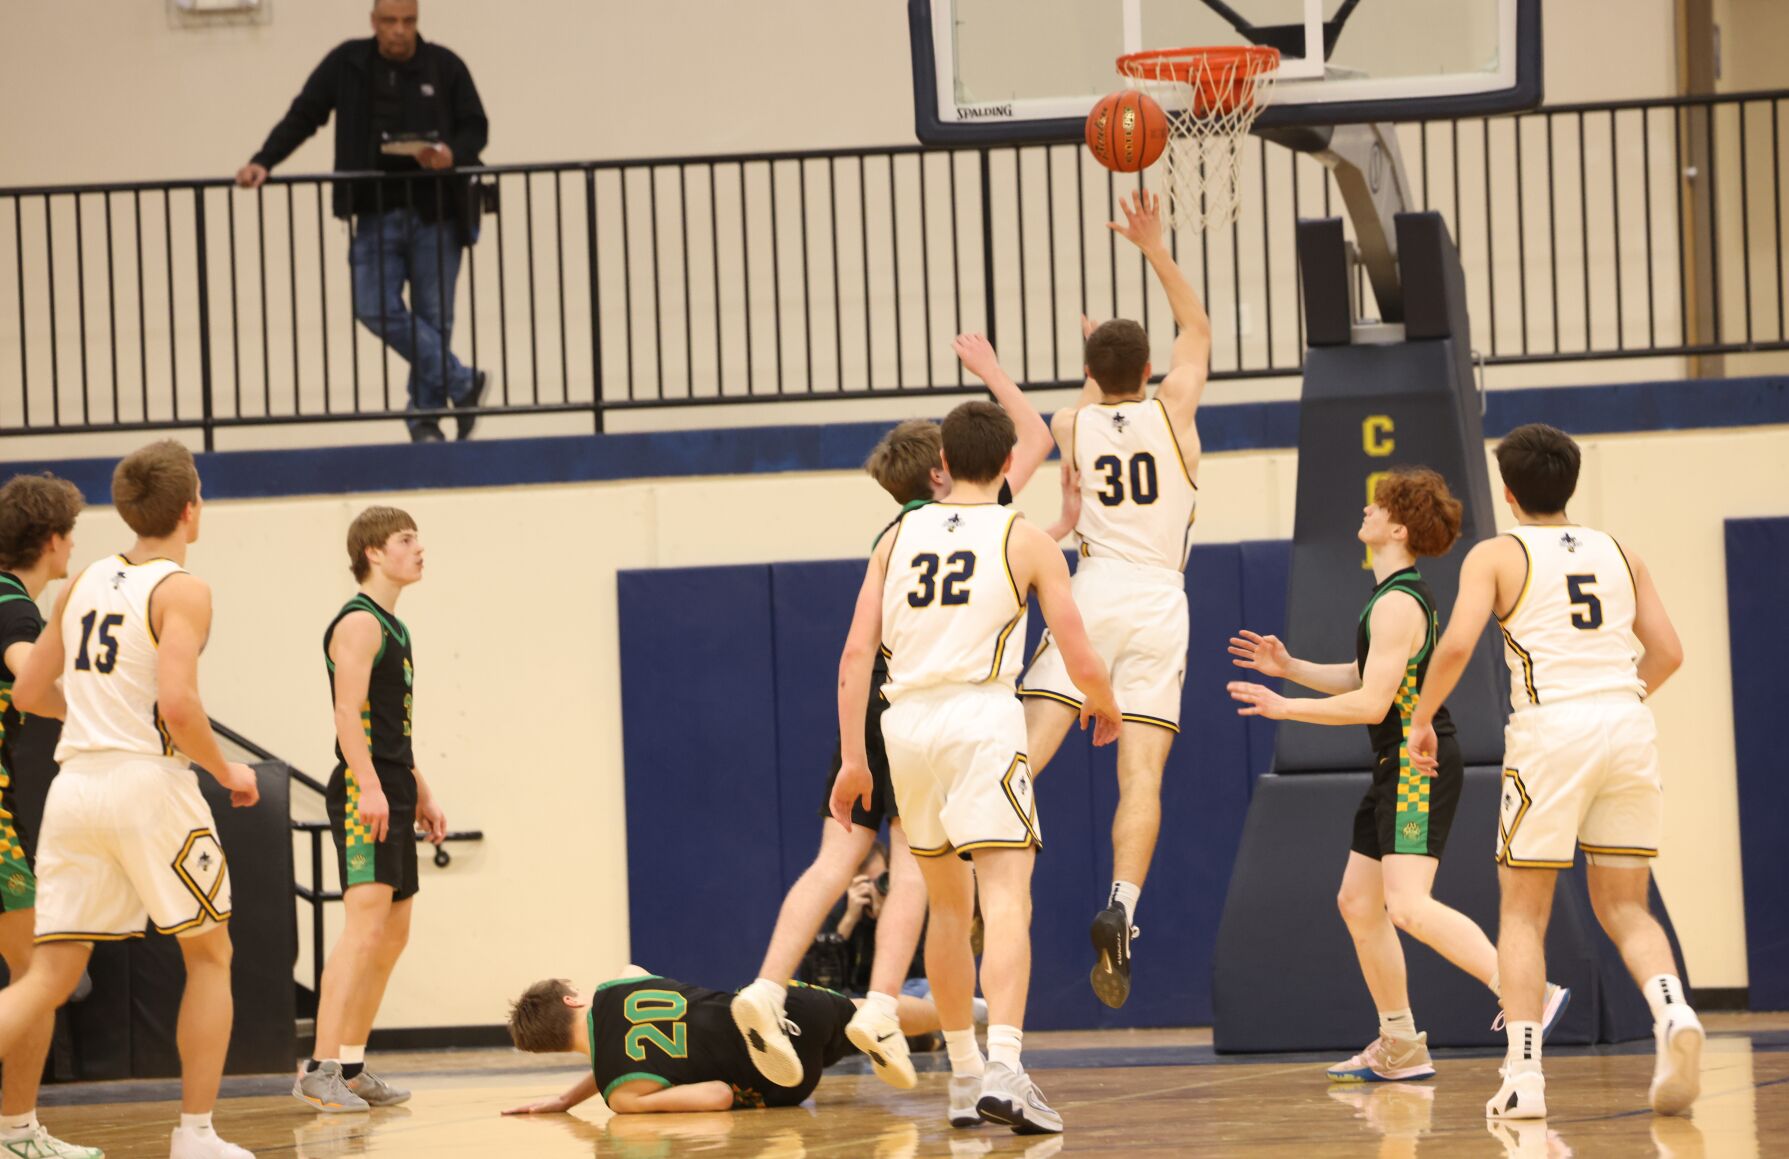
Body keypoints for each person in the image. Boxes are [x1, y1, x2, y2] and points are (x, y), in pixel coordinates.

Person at [728, 333, 1071, 1096]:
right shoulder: (985, 510)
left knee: (836, 860)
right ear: (944, 468)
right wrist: (988, 374)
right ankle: (884, 999)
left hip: (880, 710)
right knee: (930, 872)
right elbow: (1037, 434)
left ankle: (767, 981)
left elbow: (856, 653)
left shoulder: (894, 535)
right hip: (951, 709)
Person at [832, 400, 1122, 1134]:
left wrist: (852, 760)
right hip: (978, 719)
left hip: (905, 727)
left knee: (945, 903)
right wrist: (1104, 702)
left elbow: (855, 655)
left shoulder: (895, 536)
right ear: (1004, 463)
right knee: (1005, 897)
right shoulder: (1025, 538)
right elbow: (1078, 647)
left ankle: (962, 1074)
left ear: (942, 463)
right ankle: (1005, 1066)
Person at [1227, 467, 1569, 1082]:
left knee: (1407, 906)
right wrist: (1291, 667)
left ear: (1398, 527)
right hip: (1396, 766)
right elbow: (1366, 679)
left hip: (1417, 767)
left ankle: (1525, 993)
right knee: (1359, 902)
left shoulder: (1397, 604)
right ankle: (1401, 1043)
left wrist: (1284, 707)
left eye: (1378, 505)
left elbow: (1372, 705)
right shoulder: (1394, 597)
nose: (1367, 511)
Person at [1406, 423, 1695, 1120]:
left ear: (1506, 492)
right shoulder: (1620, 550)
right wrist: (1614, 703)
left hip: (1550, 731)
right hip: (1627, 723)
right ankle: (1674, 1012)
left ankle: (1524, 1079)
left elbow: (1452, 647)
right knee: (1627, 905)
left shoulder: (1498, 553)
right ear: (1570, 482)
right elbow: (1667, 650)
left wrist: (1419, 717)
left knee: (1522, 913)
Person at [5, 441, 261, 1159]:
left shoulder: (80, 578)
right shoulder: (184, 589)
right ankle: (197, 1135)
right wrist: (227, 769)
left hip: (73, 788)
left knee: (47, 975)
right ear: (190, 509)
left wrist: (93, 716)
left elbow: (28, 693)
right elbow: (178, 706)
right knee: (210, 956)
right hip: (147, 785)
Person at [1015, 191, 1203, 1009]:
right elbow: (1195, 332)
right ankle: (1122, 908)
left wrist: (1094, 358)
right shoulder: (1176, 415)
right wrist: (1155, 249)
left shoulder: (1072, 420)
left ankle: (971, 847)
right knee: (1142, 774)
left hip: (1093, 594)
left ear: (1091, 373)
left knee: (1029, 744)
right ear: (1150, 373)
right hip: (1162, 602)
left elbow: (1098, 393)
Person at [236, 0, 491, 443]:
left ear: (417, 22)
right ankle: (462, 382)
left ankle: (424, 419)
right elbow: (305, 113)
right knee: (372, 306)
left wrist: (451, 153)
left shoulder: (444, 65)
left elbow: (476, 127)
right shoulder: (348, 63)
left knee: (435, 319)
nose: (399, 31)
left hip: (437, 213)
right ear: (373, 22)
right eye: (390, 21)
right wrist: (264, 160)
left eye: (408, 21)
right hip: (373, 212)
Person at [294, 507, 447, 1114]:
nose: (419, 549)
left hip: (390, 781)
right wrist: (373, 787)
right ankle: (320, 1068)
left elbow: (389, 729)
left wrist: (421, 789)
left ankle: (352, 1067)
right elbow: (346, 714)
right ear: (374, 553)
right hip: (366, 789)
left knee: (392, 933)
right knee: (361, 933)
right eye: (407, 539)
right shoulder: (358, 623)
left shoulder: (395, 626)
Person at [0, 474, 101, 1159]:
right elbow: (30, 679)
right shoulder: (12, 604)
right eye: (72, 530)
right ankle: (15, 1133)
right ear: (53, 538)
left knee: (31, 966)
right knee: (39, 970)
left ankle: (17, 1130)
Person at [501, 968, 945, 1115]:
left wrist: (566, 1100)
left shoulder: (624, 1093)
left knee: (846, 1039)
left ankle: (928, 1036)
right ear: (571, 1000)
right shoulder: (618, 983)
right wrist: (567, 1097)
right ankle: (967, 1015)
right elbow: (621, 1037)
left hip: (780, 1082)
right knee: (867, 1011)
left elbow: (714, 1095)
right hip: (786, 1016)